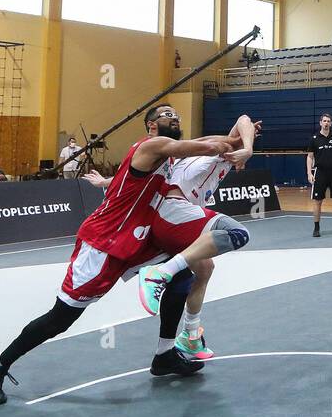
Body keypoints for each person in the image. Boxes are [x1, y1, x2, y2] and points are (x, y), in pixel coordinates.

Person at [0, 105, 246, 405]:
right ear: (151, 126)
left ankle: (165, 354)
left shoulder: (167, 154)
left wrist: (242, 143)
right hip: (104, 241)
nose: (175, 117)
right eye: (167, 114)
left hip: (139, 238)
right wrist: (223, 147)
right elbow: (207, 144)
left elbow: (226, 136)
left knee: (183, 276)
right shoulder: (153, 145)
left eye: (177, 115)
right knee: (60, 319)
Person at [86, 114, 259, 360]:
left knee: (205, 268)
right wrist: (248, 149)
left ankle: (190, 335)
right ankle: (161, 273)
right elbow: (244, 119)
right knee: (237, 233)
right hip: (174, 212)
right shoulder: (214, 148)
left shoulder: (182, 157)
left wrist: (105, 180)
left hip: (175, 217)